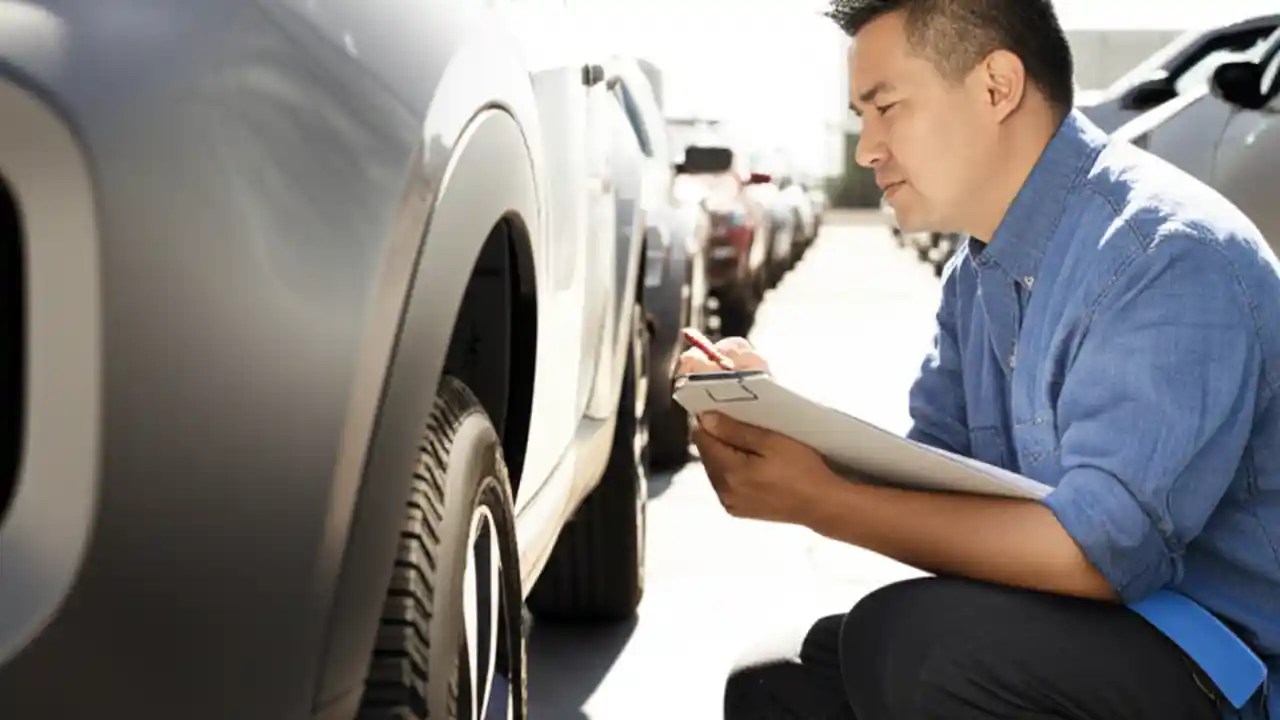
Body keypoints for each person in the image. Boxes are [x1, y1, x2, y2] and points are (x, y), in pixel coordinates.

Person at [678, 1, 1280, 718]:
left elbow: (1096, 554)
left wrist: (821, 501)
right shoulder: (979, 270)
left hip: (1224, 667)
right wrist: (776, 427)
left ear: (997, 86)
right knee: (776, 683)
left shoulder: (1165, 254)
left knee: (916, 646)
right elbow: (933, 478)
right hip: (1093, 630)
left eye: (887, 108)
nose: (868, 148)